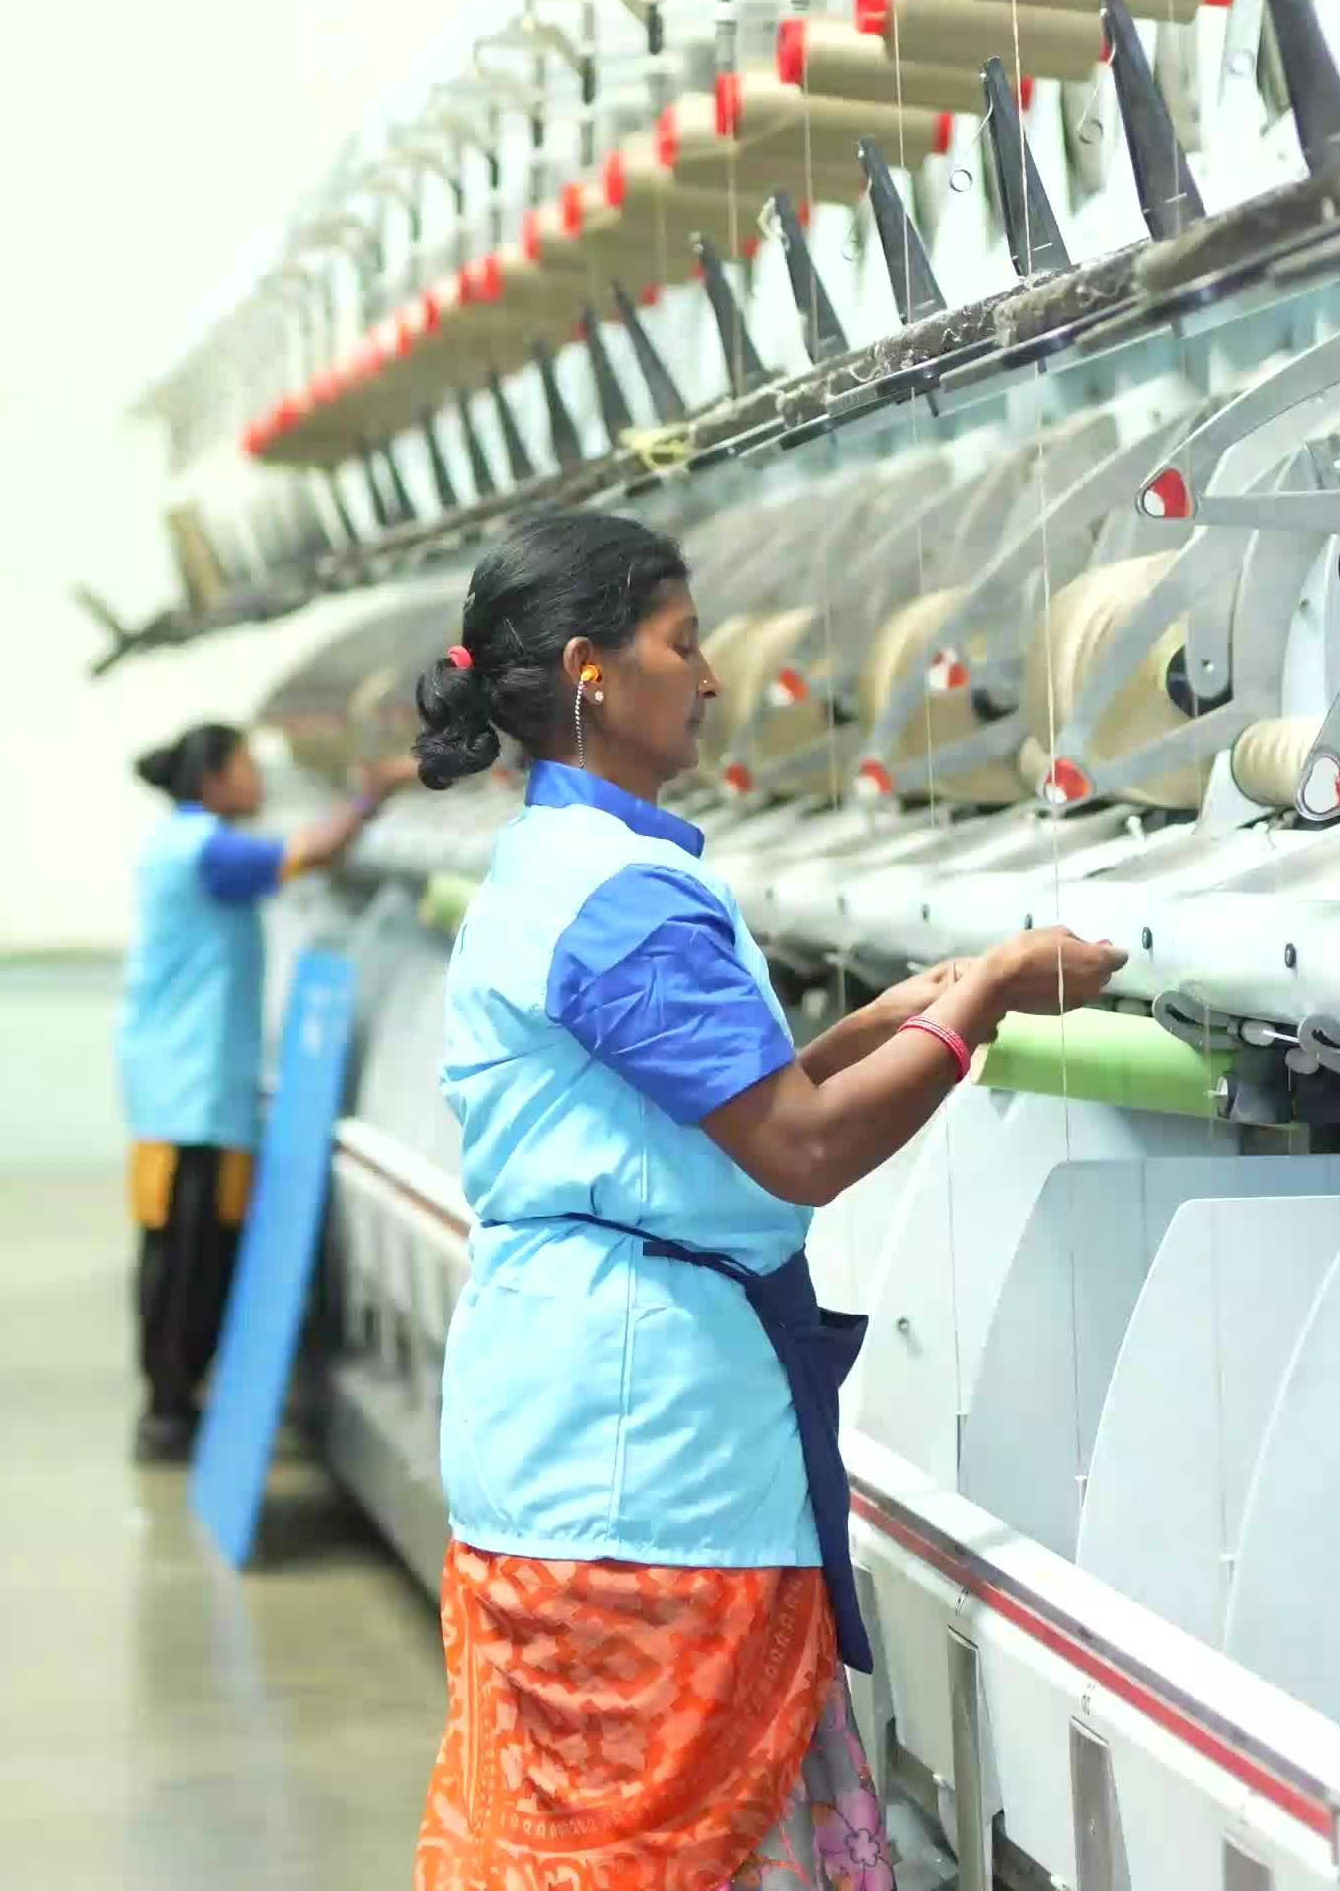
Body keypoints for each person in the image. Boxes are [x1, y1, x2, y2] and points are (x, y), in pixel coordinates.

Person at [407, 511, 1126, 1891]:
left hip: (559, 1439)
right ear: (592, 670)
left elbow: (698, 1117)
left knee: (569, 1842)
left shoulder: (560, 865)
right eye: (683, 644)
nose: (712, 676)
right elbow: (797, 1152)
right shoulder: (626, 901)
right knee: (660, 1849)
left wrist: (884, 1026)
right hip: (646, 1474)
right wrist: (979, 1002)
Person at [117, 720, 416, 1463]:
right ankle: (168, 1410)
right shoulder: (206, 850)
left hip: (184, 1088)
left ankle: (174, 1403)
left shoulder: (182, 843)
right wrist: (371, 795)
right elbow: (311, 852)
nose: (258, 782)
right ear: (214, 779)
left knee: (182, 1257)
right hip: (191, 1094)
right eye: (248, 767)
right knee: (187, 1263)